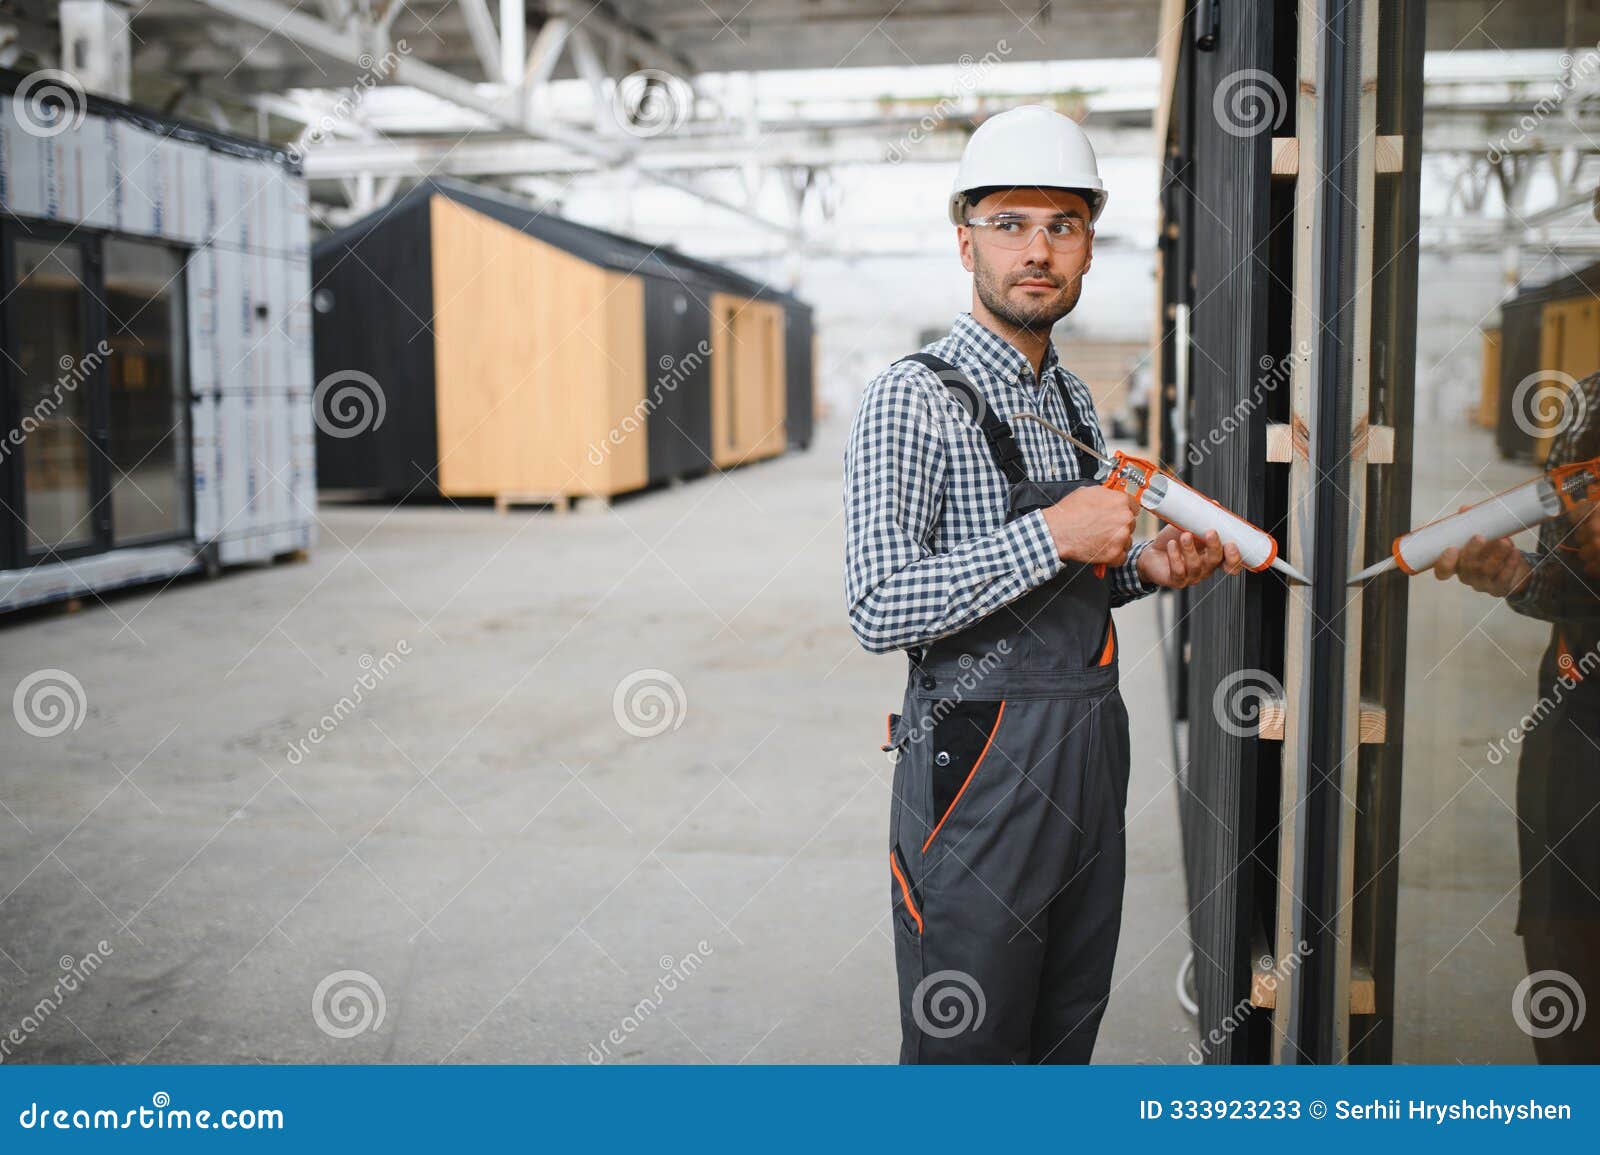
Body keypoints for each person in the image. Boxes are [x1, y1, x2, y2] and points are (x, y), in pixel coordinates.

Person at [842, 105, 1241, 1063]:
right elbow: (876, 602)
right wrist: (1053, 532)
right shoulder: (913, 395)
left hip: (1089, 756)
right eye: (1011, 223)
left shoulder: (1068, 397)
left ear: (1089, 248)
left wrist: (1143, 564)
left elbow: (1076, 590)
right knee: (970, 1055)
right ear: (965, 242)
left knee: (1064, 1037)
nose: (1037, 250)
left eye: (1061, 226)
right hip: (978, 770)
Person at [1435, 372, 1600, 1063]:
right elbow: (1573, 580)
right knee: (1570, 1009)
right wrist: (1519, 576)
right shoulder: (1592, 397)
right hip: (1578, 750)